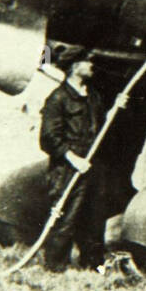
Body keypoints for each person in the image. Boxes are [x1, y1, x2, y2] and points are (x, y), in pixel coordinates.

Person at [38, 46, 106, 272]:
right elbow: (48, 138)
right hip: (68, 169)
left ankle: (93, 266)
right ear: (75, 67)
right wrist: (73, 158)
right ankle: (55, 268)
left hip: (92, 165)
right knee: (65, 219)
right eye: (87, 62)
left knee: (94, 219)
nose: (91, 65)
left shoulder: (93, 96)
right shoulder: (58, 99)